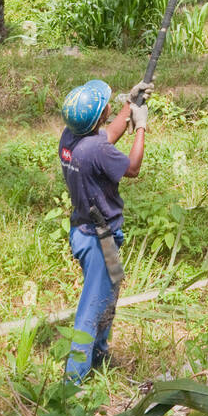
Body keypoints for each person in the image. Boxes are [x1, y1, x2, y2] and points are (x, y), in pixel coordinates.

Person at [58, 77, 152, 384]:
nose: (111, 107)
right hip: (100, 239)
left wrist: (130, 102)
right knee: (92, 306)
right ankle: (72, 382)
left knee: (108, 293)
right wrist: (140, 126)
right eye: (108, 105)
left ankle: (98, 353)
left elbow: (107, 136)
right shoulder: (97, 150)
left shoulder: (72, 138)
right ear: (101, 114)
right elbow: (133, 168)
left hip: (89, 232)